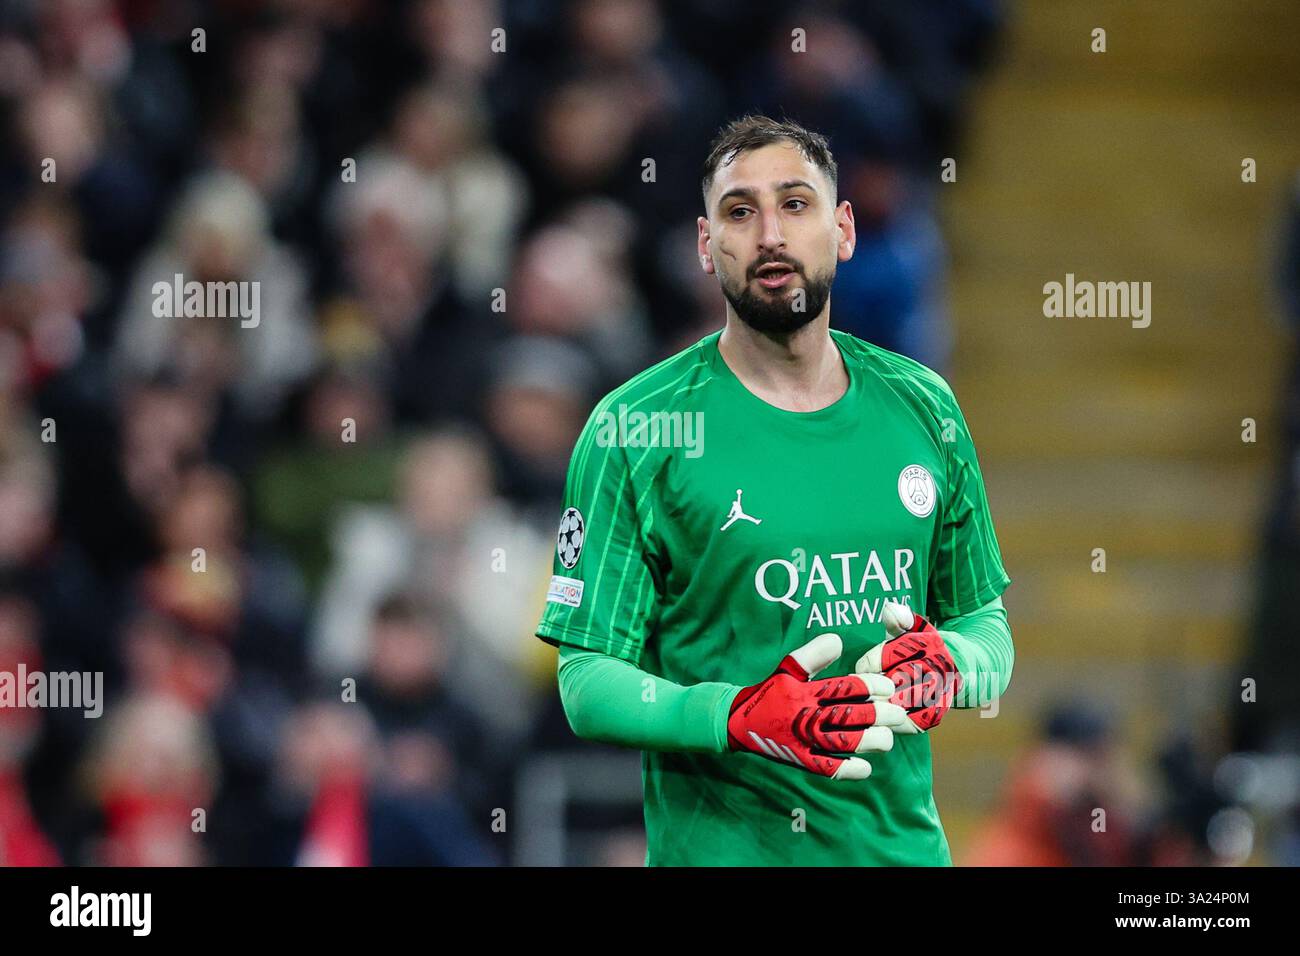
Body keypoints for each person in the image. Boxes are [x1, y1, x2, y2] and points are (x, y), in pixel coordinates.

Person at [535, 114, 1014, 866]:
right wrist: (736, 716)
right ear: (705, 245)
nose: (769, 236)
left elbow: (986, 625)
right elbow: (586, 682)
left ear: (844, 229)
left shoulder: (926, 407)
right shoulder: (634, 429)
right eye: (739, 211)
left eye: (796, 204)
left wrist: (950, 665)